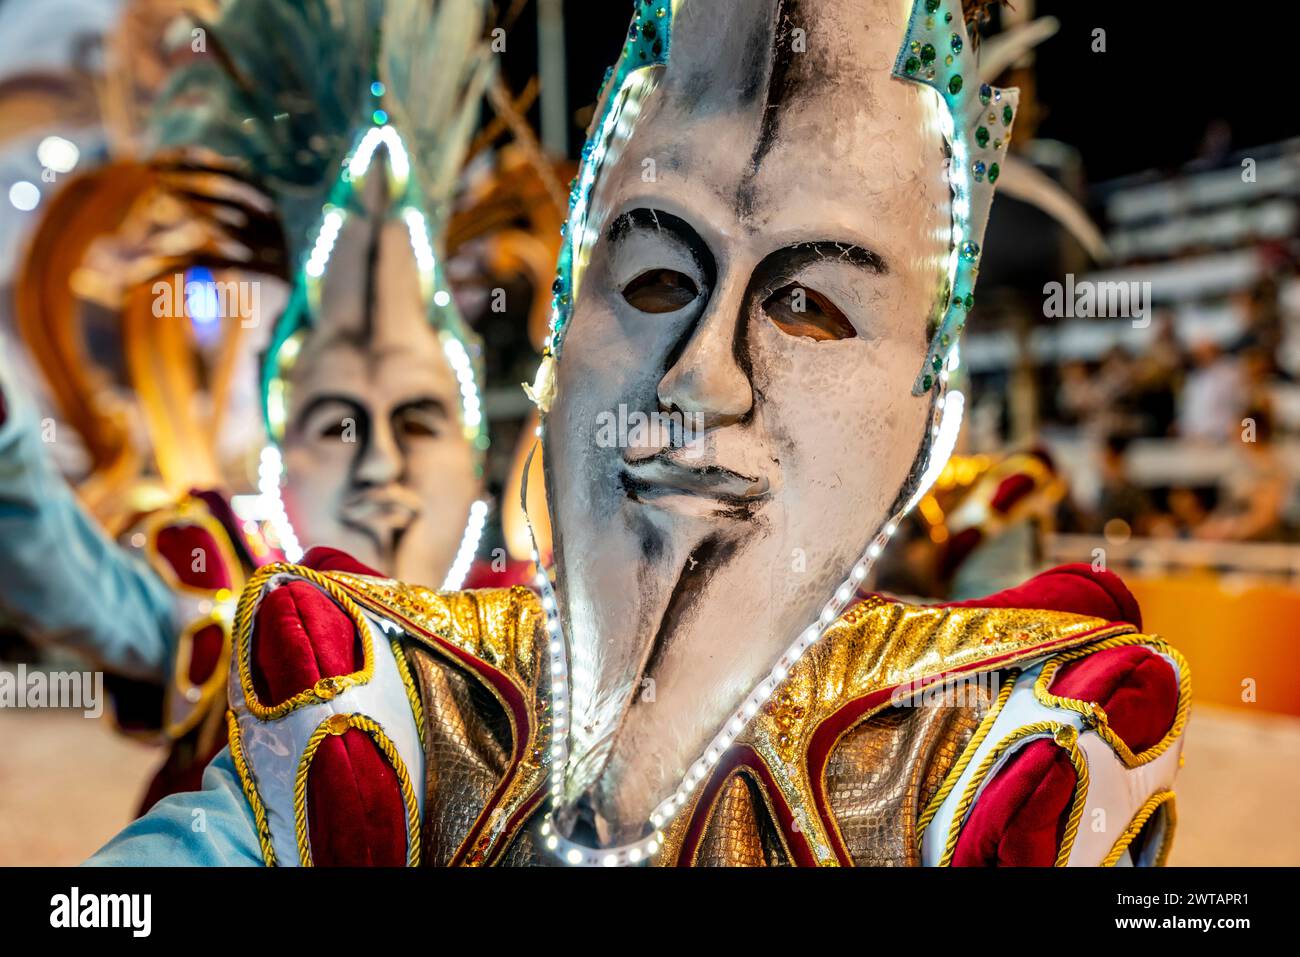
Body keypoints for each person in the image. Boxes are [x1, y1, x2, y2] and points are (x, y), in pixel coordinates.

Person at [91, 0, 1187, 867]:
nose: (700, 376)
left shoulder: (962, 768)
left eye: (809, 307)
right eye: (657, 278)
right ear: (558, 354)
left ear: (927, 424)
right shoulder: (390, 707)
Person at [0, 0, 496, 808]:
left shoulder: (537, 643)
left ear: (475, 446)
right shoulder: (230, 608)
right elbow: (70, 581)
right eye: (337, 421)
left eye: (419, 419)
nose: (380, 464)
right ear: (279, 448)